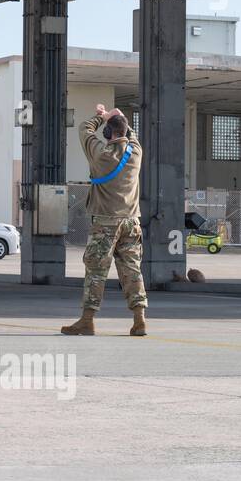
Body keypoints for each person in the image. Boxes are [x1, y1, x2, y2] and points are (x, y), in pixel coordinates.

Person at [62, 104, 148, 337]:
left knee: (96, 271)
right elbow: (131, 134)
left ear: (108, 134)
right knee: (132, 270)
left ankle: (87, 320)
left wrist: (100, 116)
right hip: (132, 221)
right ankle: (139, 319)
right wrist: (116, 117)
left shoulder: (100, 153)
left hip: (106, 223)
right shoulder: (136, 152)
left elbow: (84, 128)